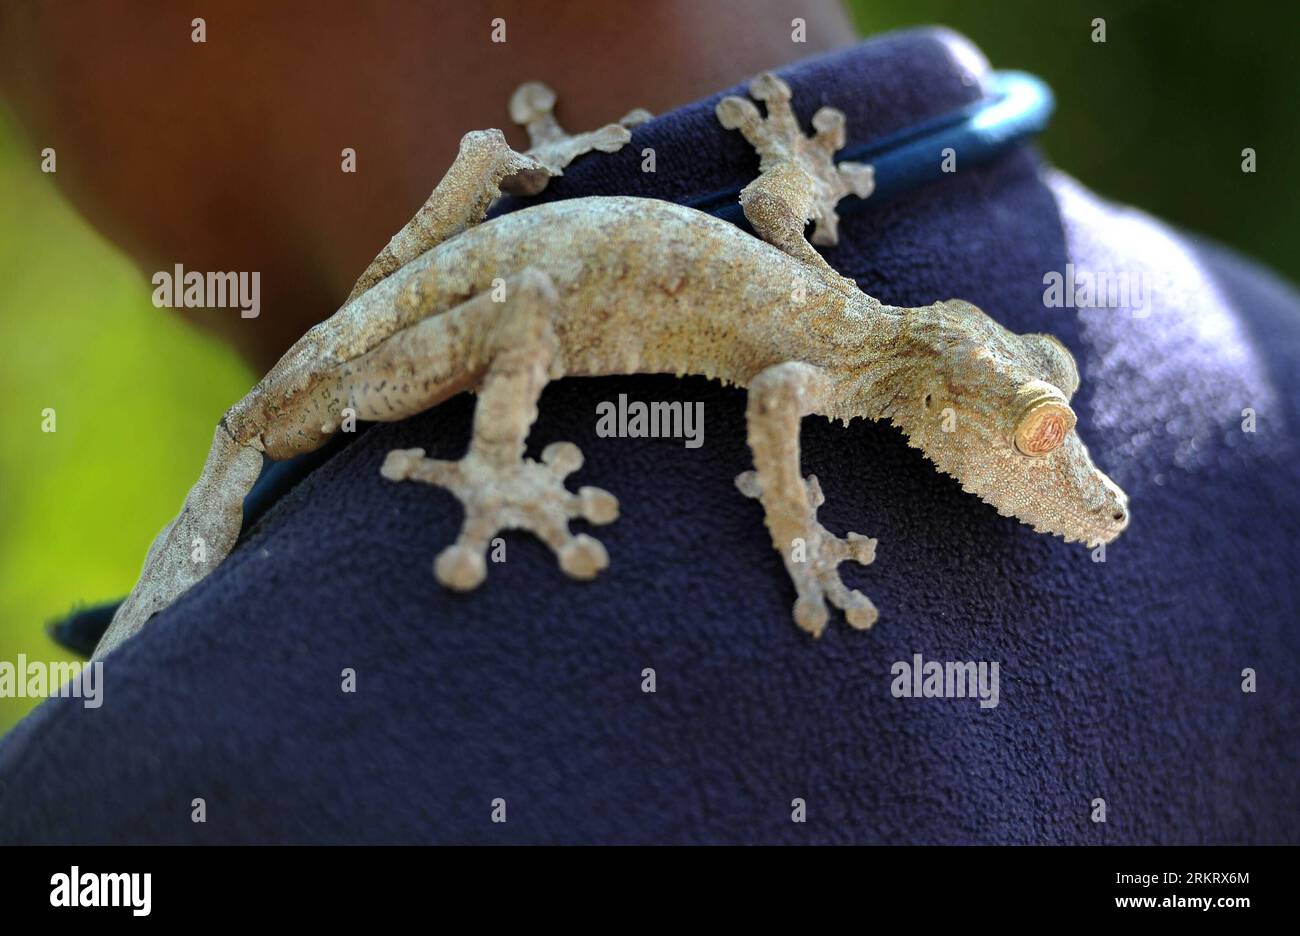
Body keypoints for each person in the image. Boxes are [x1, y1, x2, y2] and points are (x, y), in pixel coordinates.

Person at [0, 1, 1296, 843]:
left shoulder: (122, 793)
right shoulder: (1273, 360)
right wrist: (795, 541)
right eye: (1029, 420)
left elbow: (787, 247)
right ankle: (496, 470)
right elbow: (781, 382)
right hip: (537, 280)